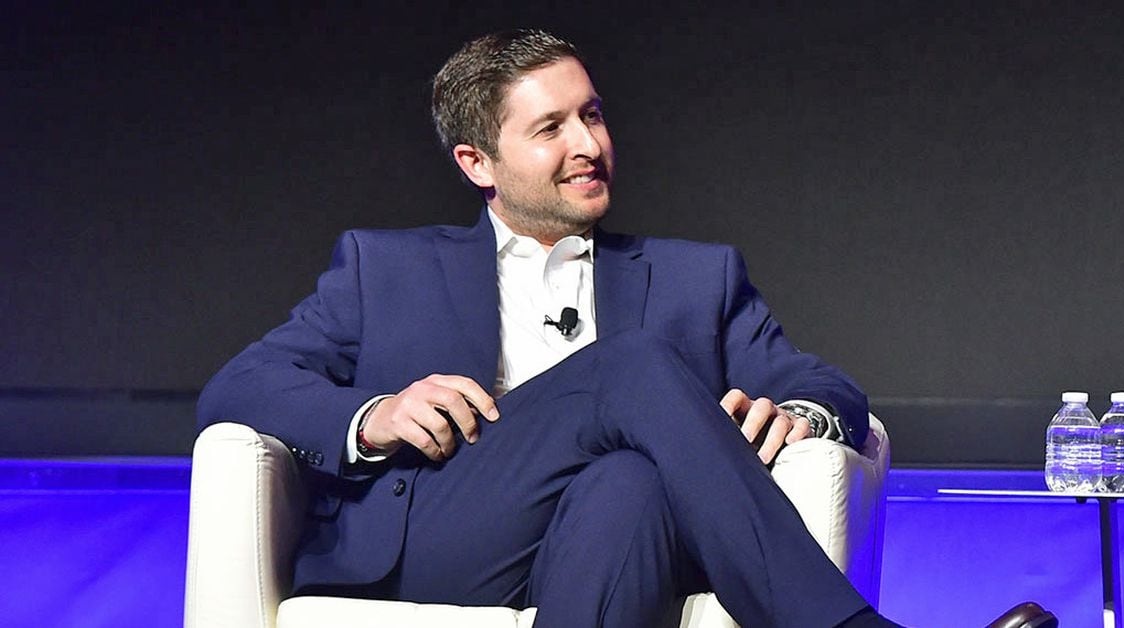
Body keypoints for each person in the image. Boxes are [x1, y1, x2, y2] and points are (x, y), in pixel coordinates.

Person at [198, 29, 1054, 628]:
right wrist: (373, 416)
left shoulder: (694, 277)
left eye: (594, 114)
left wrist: (801, 417)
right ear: (477, 163)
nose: (588, 143)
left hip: (616, 539)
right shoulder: (384, 267)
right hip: (446, 534)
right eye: (551, 128)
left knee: (628, 482)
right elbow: (238, 386)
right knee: (632, 364)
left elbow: (825, 385)